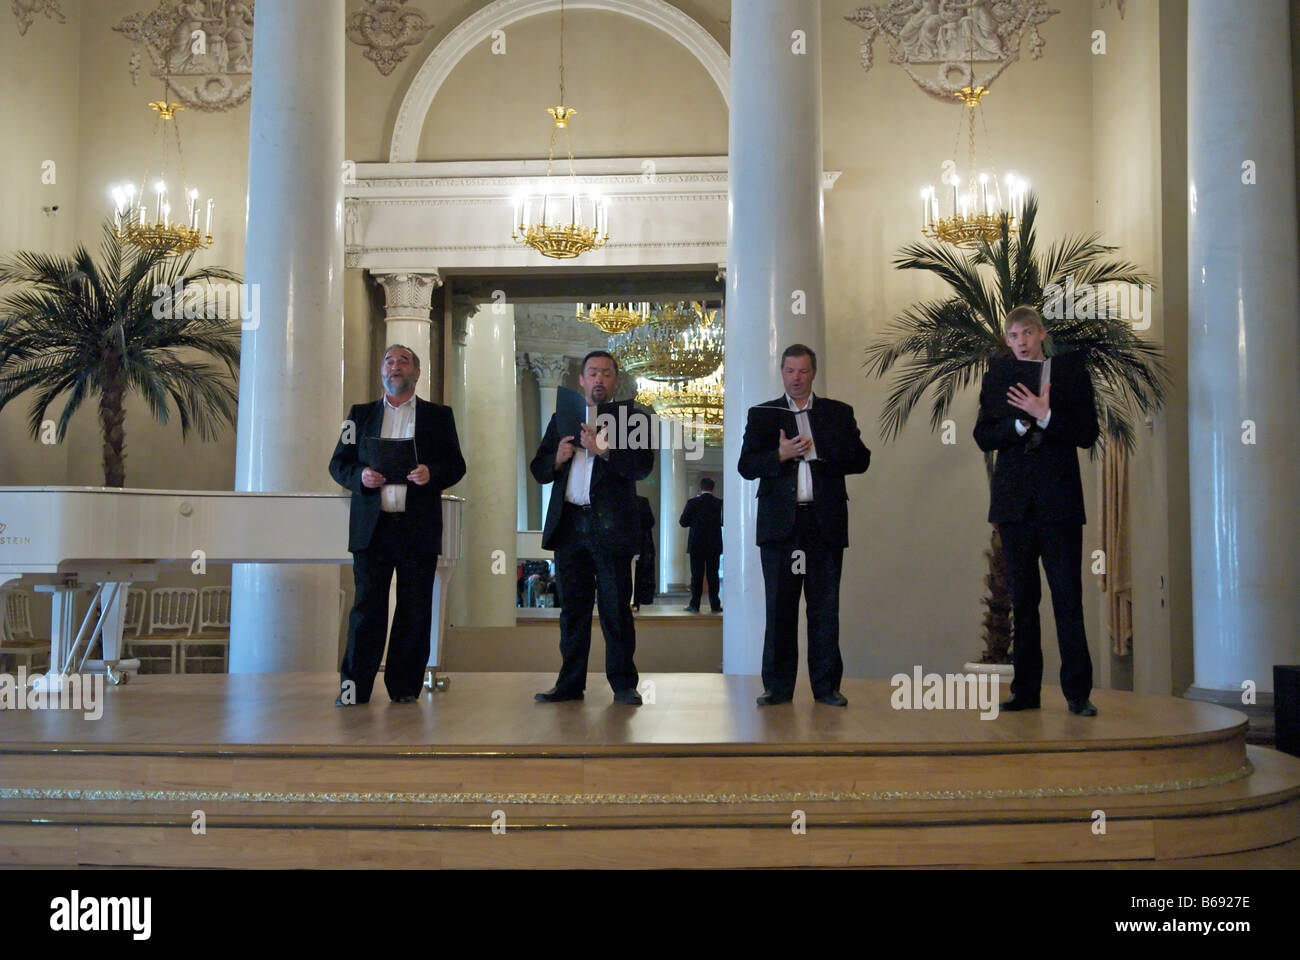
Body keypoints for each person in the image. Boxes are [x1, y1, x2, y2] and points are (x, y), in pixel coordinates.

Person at [974, 305, 1100, 716]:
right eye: (1014, 336)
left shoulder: (1069, 376)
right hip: (1014, 507)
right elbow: (982, 434)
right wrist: (1017, 425)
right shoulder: (998, 378)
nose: (1022, 341)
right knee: (1024, 600)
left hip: (1059, 504)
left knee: (1067, 598)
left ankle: (1078, 694)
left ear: (1042, 334)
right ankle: (1025, 691)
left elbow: (1086, 433)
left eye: (1028, 333)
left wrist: (1044, 414)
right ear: (1007, 341)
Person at [328, 344, 465, 705]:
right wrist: (361, 476)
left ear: (417, 373)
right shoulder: (359, 415)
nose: (395, 366)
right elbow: (338, 464)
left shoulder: (438, 417)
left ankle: (404, 689)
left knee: (415, 608)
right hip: (372, 529)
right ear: (381, 371)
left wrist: (431, 473)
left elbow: (456, 464)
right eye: (389, 360)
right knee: (366, 610)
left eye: (403, 361)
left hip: (417, 528)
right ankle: (354, 689)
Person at [737, 344, 871, 706]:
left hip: (822, 525)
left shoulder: (836, 413)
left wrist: (818, 451)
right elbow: (746, 466)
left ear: (814, 374)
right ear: (781, 373)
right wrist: (780, 455)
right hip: (781, 528)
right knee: (779, 610)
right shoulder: (763, 414)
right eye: (790, 371)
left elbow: (861, 459)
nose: (797, 378)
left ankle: (827, 688)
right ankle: (777, 688)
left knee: (824, 609)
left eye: (803, 371)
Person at [530, 351, 655, 705]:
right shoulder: (562, 418)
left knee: (616, 608)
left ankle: (623, 685)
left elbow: (643, 467)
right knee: (572, 611)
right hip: (570, 525)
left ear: (616, 381)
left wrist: (604, 449)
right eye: (592, 373)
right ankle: (569, 684)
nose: (599, 379)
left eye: (606, 374)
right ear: (581, 380)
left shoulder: (633, 418)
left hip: (611, 527)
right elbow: (539, 469)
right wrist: (556, 458)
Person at [679, 477, 723, 613]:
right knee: (713, 575)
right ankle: (715, 605)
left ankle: (694, 605)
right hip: (714, 544)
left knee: (696, 575)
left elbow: (683, 522)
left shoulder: (692, 503)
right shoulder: (719, 503)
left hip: (696, 545)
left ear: (701, 488)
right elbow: (724, 521)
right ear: (713, 488)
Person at [632, 495, 656, 612]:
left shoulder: (615, 500)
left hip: (621, 544)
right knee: (638, 574)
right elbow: (650, 522)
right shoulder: (642, 501)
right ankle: (635, 602)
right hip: (640, 544)